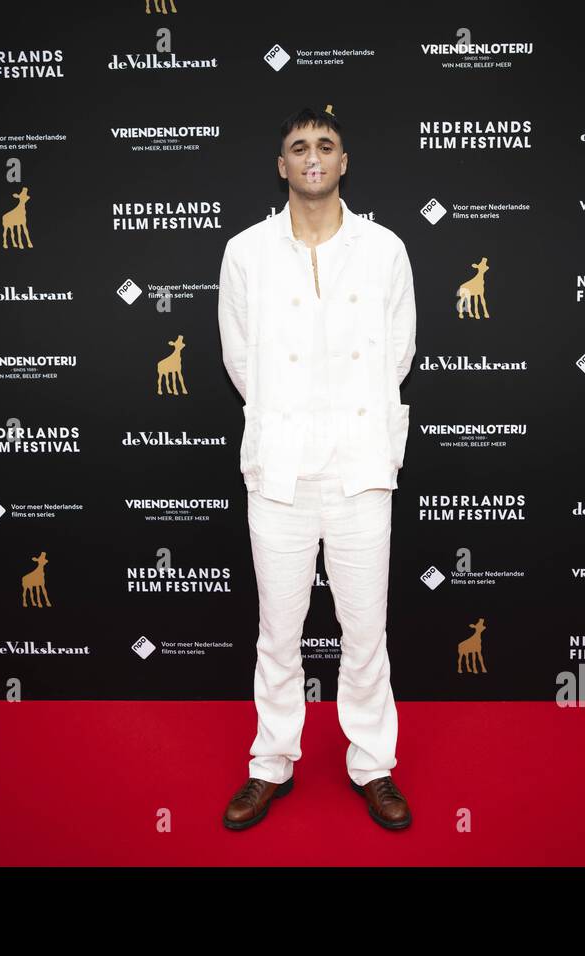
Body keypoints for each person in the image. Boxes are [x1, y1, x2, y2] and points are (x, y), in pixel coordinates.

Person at [216, 105, 417, 831]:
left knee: (365, 631)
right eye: (298, 146)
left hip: (362, 469)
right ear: (281, 165)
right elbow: (241, 361)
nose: (311, 156)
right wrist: (288, 422)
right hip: (280, 472)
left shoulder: (385, 249)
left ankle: (373, 765)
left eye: (325, 145)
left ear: (343, 161)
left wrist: (350, 422)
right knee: (279, 630)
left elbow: (398, 353)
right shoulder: (245, 253)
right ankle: (271, 763)